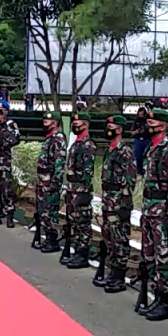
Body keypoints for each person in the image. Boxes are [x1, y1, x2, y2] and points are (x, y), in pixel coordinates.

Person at [139, 108, 168, 322]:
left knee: (163, 256)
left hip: (162, 211)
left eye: (152, 122)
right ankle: (156, 296)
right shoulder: (151, 149)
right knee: (149, 255)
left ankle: (165, 301)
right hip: (149, 209)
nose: (148, 126)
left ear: (163, 126)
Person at [99, 115, 136, 293]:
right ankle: (112, 272)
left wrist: (124, 205)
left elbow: (130, 180)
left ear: (119, 129)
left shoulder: (125, 151)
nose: (108, 128)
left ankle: (119, 277)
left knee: (119, 238)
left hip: (118, 201)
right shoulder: (111, 149)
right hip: (108, 199)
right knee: (108, 237)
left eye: (111, 126)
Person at [62, 111, 97, 269]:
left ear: (85, 125)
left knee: (82, 223)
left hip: (80, 189)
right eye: (73, 124)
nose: (75, 126)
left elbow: (87, 172)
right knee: (74, 222)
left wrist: (83, 192)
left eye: (78, 124)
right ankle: (77, 251)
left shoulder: (87, 145)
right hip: (72, 188)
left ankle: (83, 253)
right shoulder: (76, 143)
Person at [34, 111, 67, 251]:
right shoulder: (49, 138)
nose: (44, 124)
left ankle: (52, 240)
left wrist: (55, 182)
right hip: (43, 180)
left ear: (54, 123)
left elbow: (59, 162)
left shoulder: (58, 139)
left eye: (46, 122)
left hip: (50, 181)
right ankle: (47, 237)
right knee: (43, 210)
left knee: (50, 211)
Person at [131, 107, 151, 176]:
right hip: (138, 140)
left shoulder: (148, 121)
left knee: (147, 156)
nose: (140, 116)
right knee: (138, 156)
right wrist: (137, 131)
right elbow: (131, 132)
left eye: (142, 114)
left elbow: (152, 131)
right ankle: (139, 172)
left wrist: (147, 130)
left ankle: (146, 171)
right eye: (139, 114)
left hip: (146, 140)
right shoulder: (136, 121)